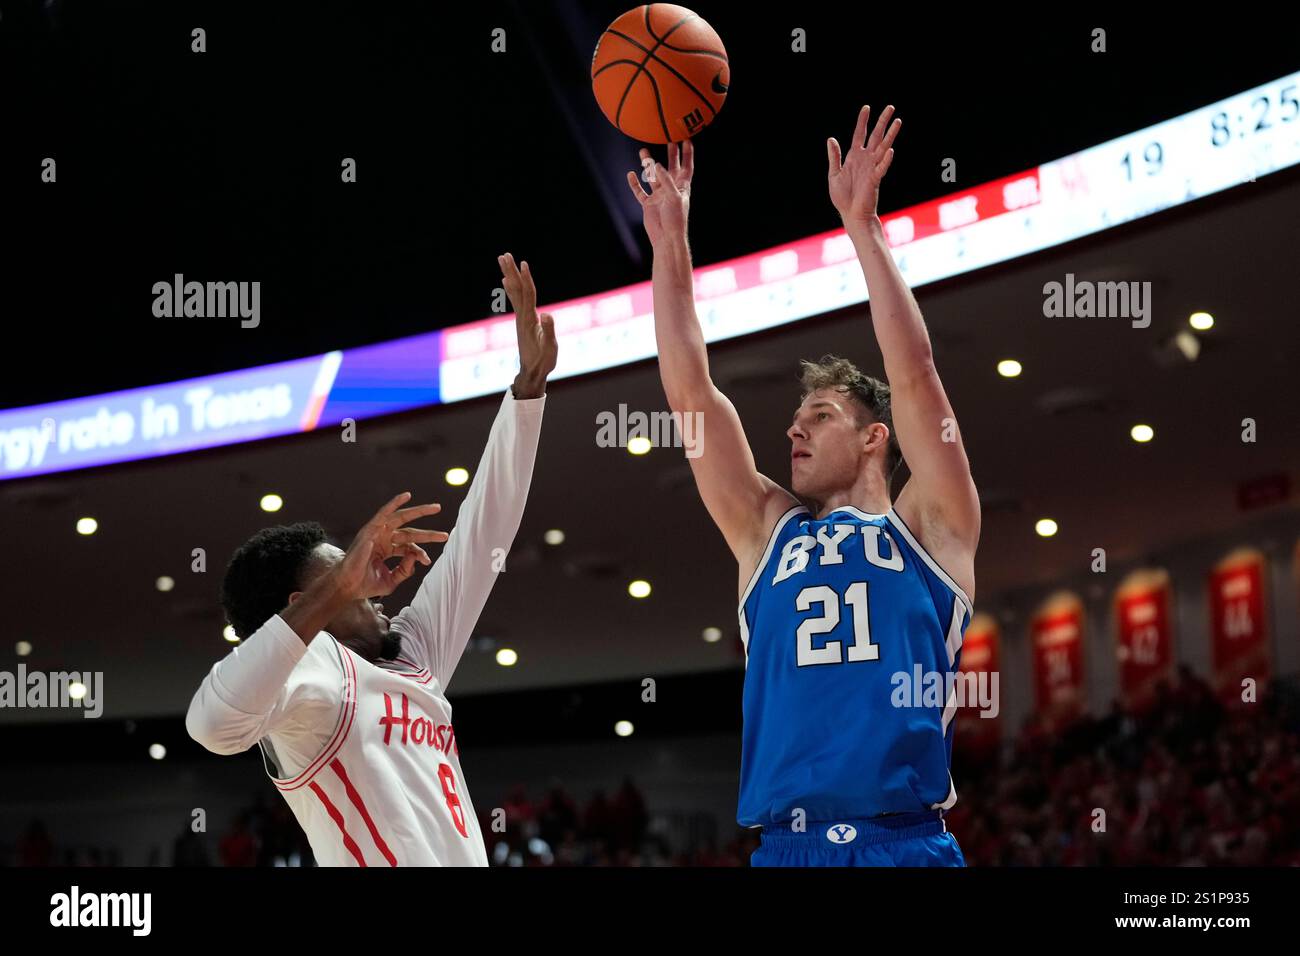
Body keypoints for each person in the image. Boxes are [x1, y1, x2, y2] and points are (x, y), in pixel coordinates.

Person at [627, 106, 979, 866]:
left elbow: (915, 375)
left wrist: (864, 228)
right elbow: (690, 394)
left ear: (875, 436)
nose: (795, 431)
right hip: (789, 847)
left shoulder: (931, 526)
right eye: (795, 420)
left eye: (819, 416)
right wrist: (671, 244)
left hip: (904, 842)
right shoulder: (767, 532)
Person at [186, 254, 556, 866]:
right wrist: (338, 589)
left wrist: (528, 390)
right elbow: (211, 725)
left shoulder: (412, 655)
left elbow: (482, 535)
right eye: (344, 573)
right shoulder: (310, 679)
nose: (369, 586)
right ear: (306, 603)